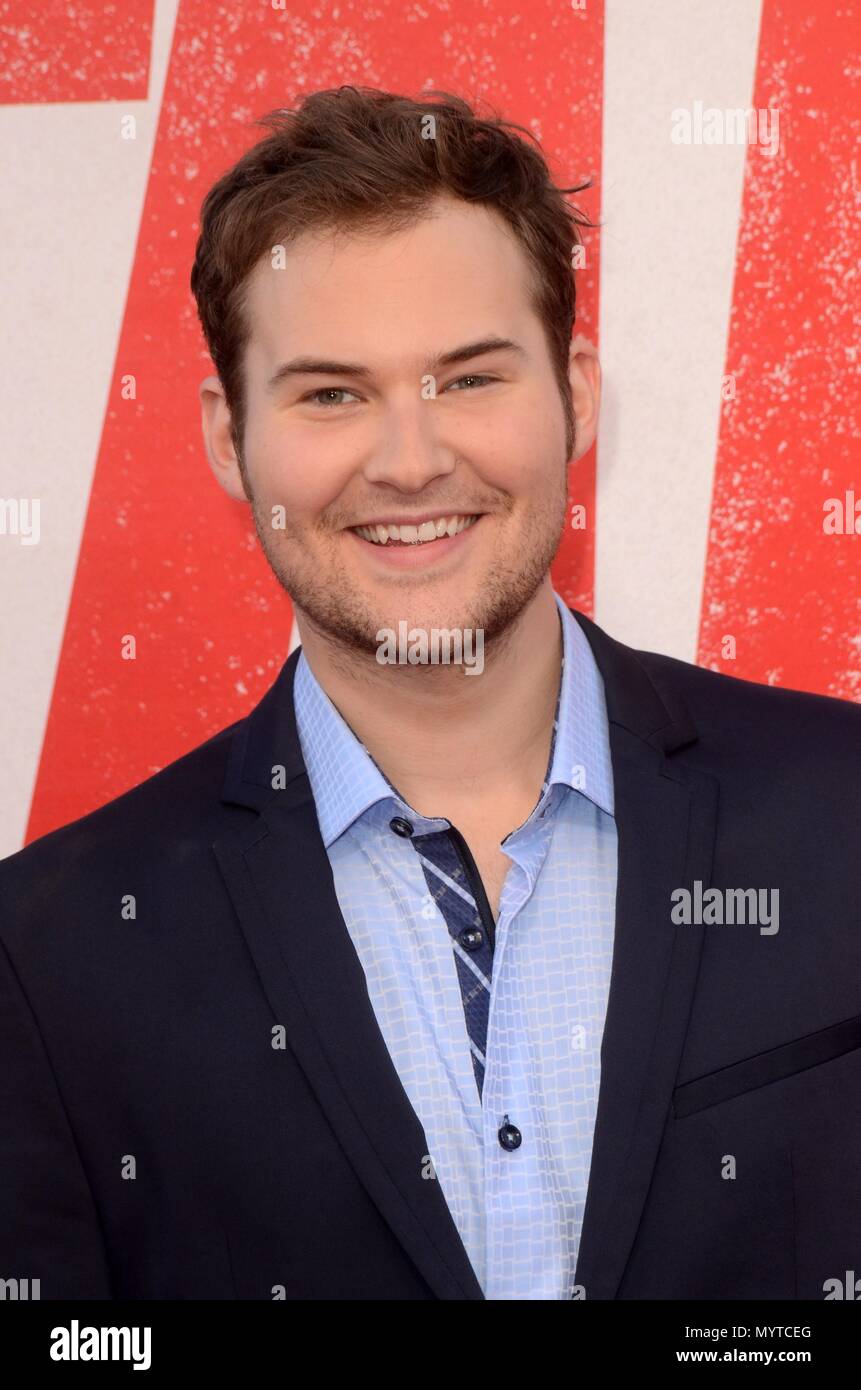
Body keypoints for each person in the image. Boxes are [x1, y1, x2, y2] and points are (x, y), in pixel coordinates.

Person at [1, 86, 859, 1302]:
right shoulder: (53, 954)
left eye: (467, 378)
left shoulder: (841, 819)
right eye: (331, 393)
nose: (409, 460)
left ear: (574, 392)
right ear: (226, 440)